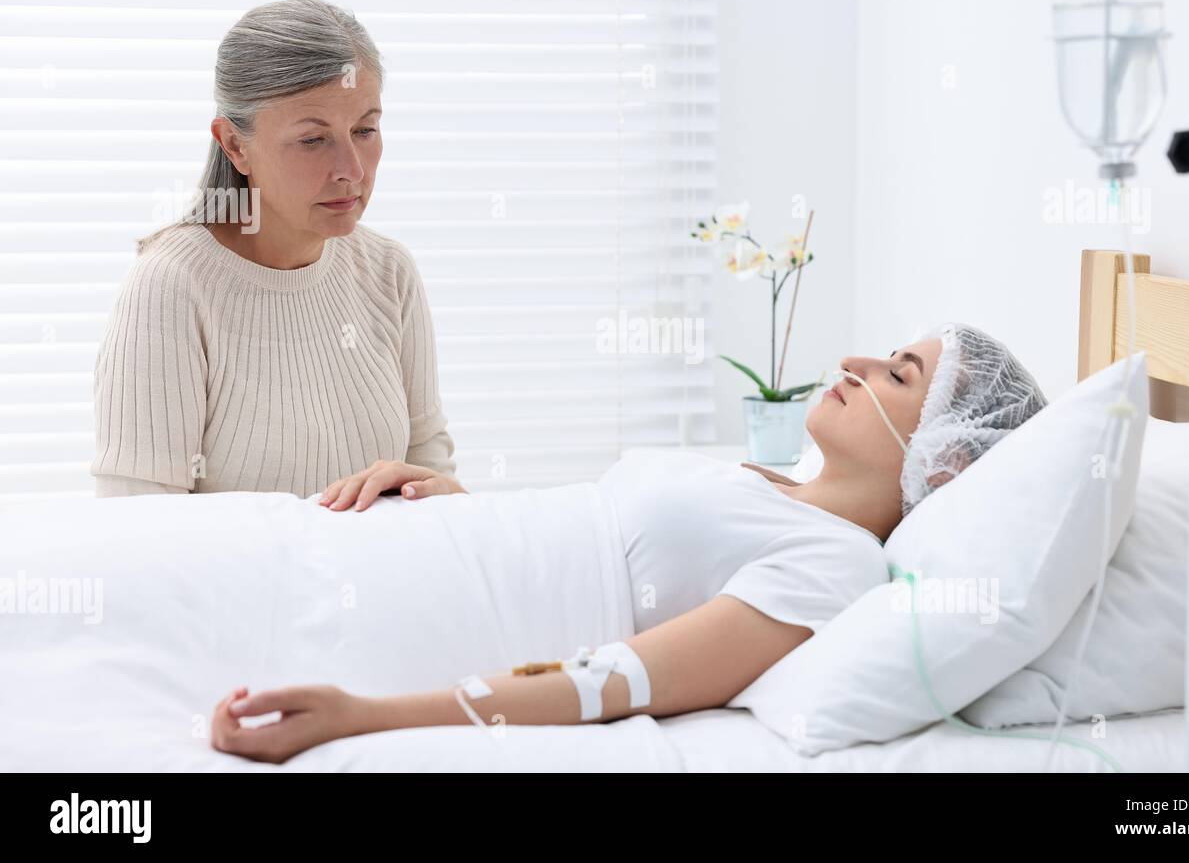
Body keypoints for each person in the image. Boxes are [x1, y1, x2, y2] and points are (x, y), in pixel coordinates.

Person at [210, 324, 1049, 763]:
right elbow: (592, 530)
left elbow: (615, 681)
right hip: (399, 542)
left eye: (898, 374)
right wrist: (456, 502)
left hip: (431, 615)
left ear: (947, 461)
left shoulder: (839, 563)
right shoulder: (764, 479)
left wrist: (366, 718)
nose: (855, 360)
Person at [90, 0, 458, 499]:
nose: (351, 168)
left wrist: (433, 494)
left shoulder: (389, 272)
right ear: (235, 145)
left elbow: (441, 491)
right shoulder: (171, 286)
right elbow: (139, 536)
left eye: (365, 130)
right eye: (313, 140)